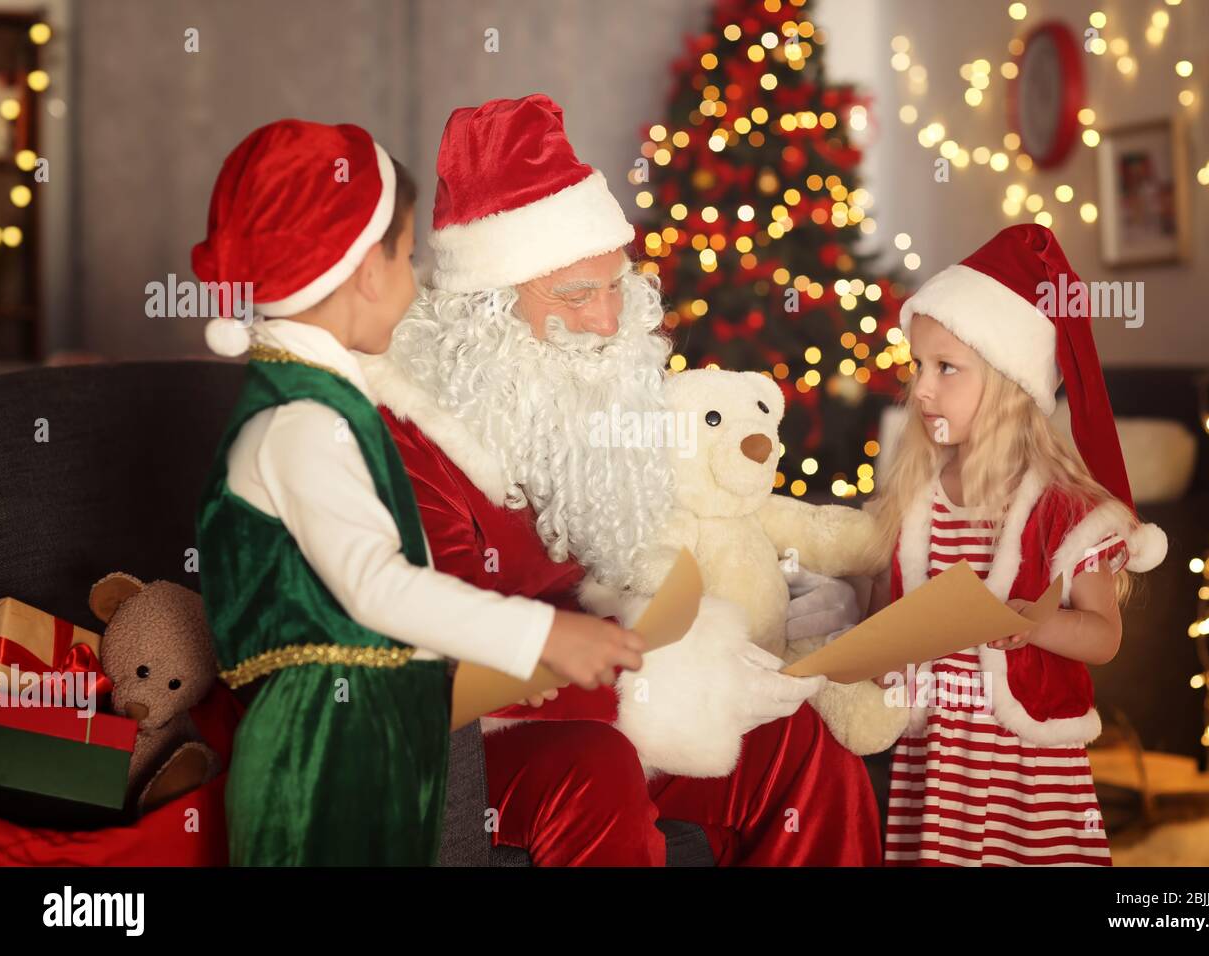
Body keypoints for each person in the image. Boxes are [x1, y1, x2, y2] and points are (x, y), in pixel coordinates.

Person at [363, 94, 886, 866]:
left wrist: (781, 604)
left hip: (620, 701)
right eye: (575, 295)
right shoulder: (412, 442)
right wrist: (671, 682)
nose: (609, 322)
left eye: (615, 285)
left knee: (799, 744)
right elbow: (447, 665)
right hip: (478, 740)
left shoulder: (605, 405)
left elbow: (680, 548)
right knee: (594, 768)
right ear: (487, 312)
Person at [193, 119, 643, 865]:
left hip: (371, 732)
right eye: (407, 255)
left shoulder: (327, 406)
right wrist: (544, 636)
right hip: (319, 747)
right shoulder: (301, 422)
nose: (415, 276)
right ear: (369, 272)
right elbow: (377, 586)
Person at [864, 224, 1167, 866]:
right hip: (936, 754)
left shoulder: (1063, 508)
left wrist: (1036, 623)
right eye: (918, 365)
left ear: (1007, 382)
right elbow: (887, 612)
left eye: (947, 368)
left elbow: (1103, 636)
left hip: (1023, 760)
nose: (921, 388)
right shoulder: (917, 493)